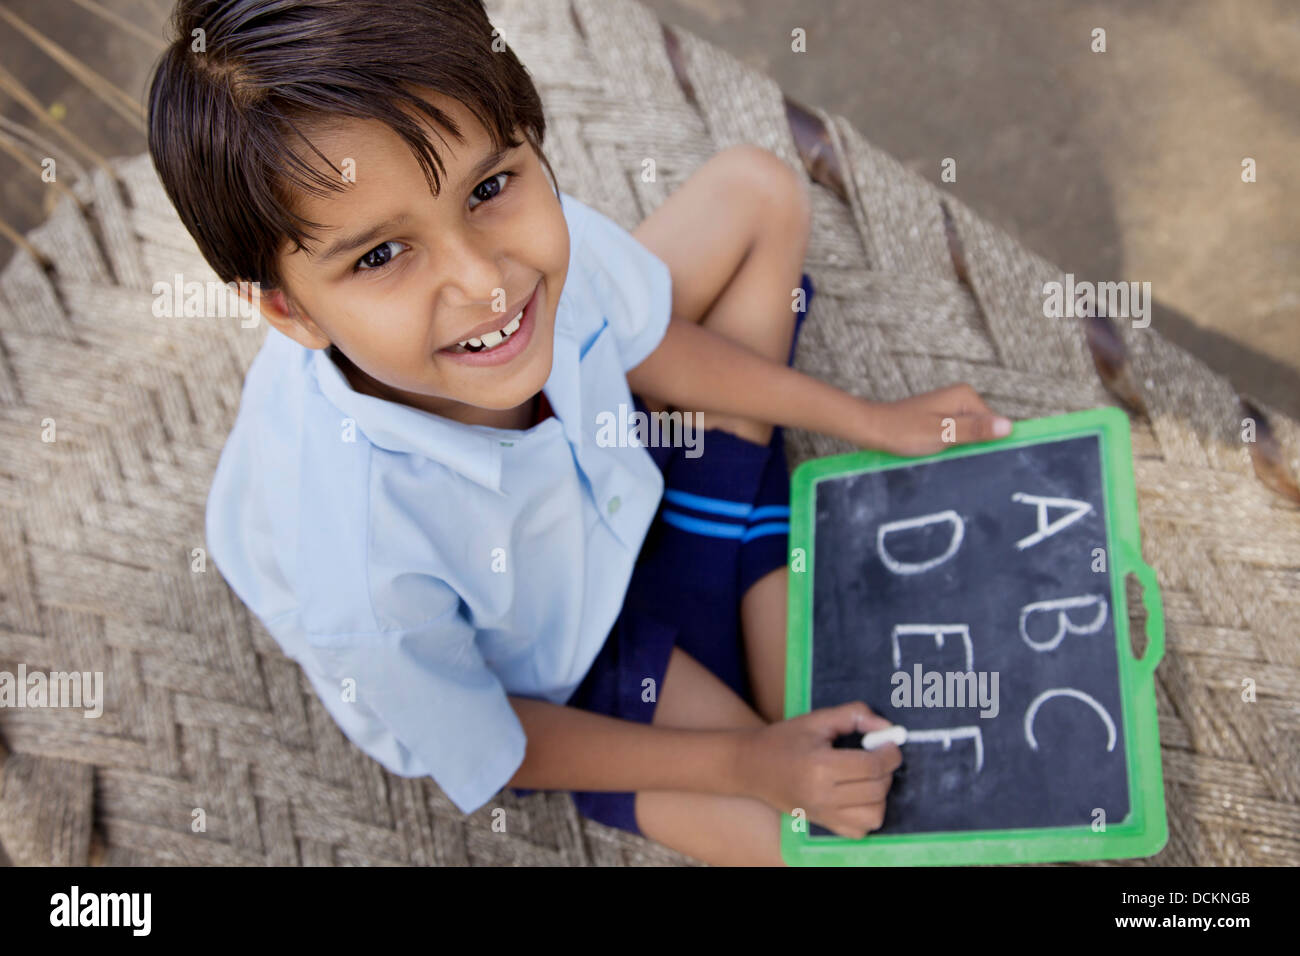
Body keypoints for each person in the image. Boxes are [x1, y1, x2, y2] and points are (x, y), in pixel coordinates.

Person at [147, 0, 1012, 866]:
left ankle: (736, 554)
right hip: (559, 655)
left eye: (489, 188)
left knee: (758, 189)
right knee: (827, 830)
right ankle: (744, 560)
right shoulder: (364, 582)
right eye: (380, 255)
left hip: (600, 478)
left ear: (529, 139)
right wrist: (749, 763)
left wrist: (870, 420)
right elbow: (503, 743)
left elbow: (642, 340)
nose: (486, 283)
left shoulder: (527, 269)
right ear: (288, 310)